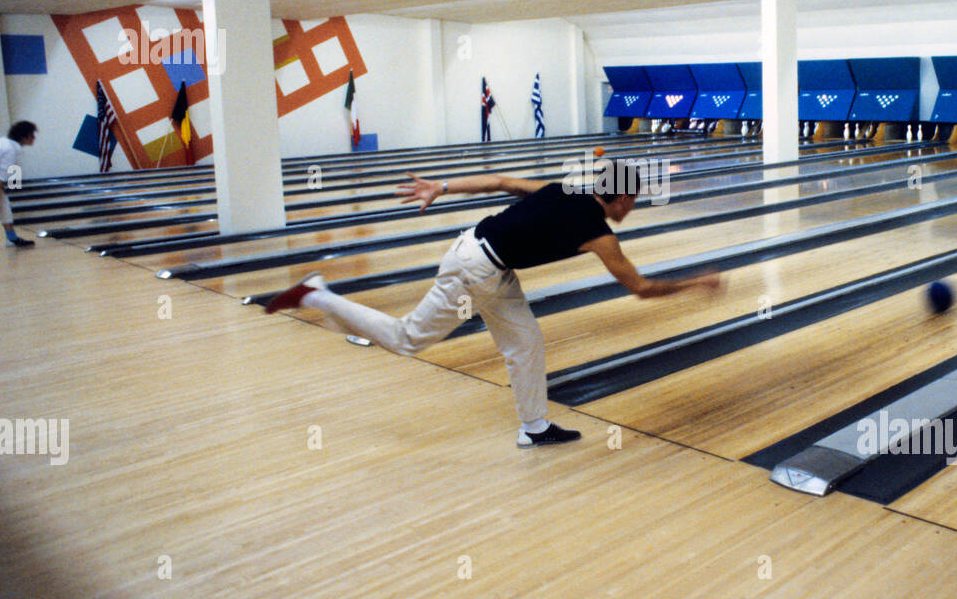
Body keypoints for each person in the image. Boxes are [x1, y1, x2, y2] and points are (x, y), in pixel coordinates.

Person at [265, 158, 722, 447]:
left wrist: (441, 187)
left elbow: (501, 181)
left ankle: (535, 427)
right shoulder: (599, 235)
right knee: (407, 338)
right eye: (634, 200)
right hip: (476, 270)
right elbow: (639, 288)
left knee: (525, 342)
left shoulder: (563, 189)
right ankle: (315, 294)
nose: (633, 208)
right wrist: (698, 282)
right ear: (620, 195)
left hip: (485, 259)